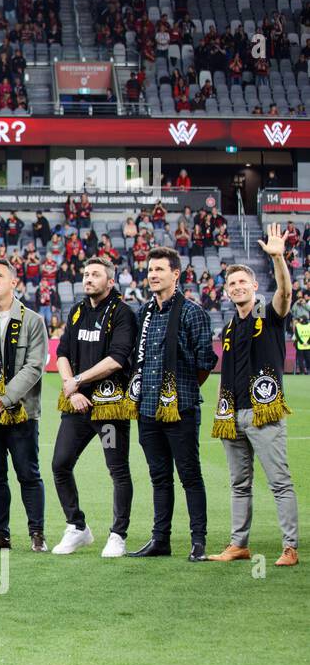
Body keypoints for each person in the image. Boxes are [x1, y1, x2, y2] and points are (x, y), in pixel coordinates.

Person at [208, 225, 298, 567]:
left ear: (255, 286)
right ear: (227, 292)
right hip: (233, 415)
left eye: (243, 282)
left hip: (264, 413)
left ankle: (290, 547)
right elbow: (225, 372)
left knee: (279, 482)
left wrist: (278, 258)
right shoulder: (230, 326)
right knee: (238, 484)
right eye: (232, 284)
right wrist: (221, 413)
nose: (237, 287)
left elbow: (286, 294)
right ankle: (239, 544)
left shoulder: (269, 314)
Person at [128, 247, 217, 561]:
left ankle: (198, 541)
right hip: (147, 409)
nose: (152, 275)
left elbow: (205, 362)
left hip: (181, 409)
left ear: (175, 274)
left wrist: (180, 392)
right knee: (159, 477)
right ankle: (160, 540)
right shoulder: (143, 313)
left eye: (159, 270)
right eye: (150, 270)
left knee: (190, 475)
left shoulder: (193, 313)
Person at [51, 257, 140, 557]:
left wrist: (77, 380)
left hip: (108, 409)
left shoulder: (123, 313)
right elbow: (62, 352)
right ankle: (77, 527)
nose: (88, 278)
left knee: (117, 469)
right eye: (86, 273)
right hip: (76, 407)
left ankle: (118, 534)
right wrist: (70, 385)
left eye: (95, 275)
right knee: (60, 464)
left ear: (110, 281)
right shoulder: (76, 311)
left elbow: (116, 359)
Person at [0, 260, 50, 551]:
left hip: (22, 412)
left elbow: (35, 365)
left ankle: (37, 533)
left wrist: (3, 400)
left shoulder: (33, 321)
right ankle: (0, 534)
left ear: (13, 282)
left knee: (28, 473)